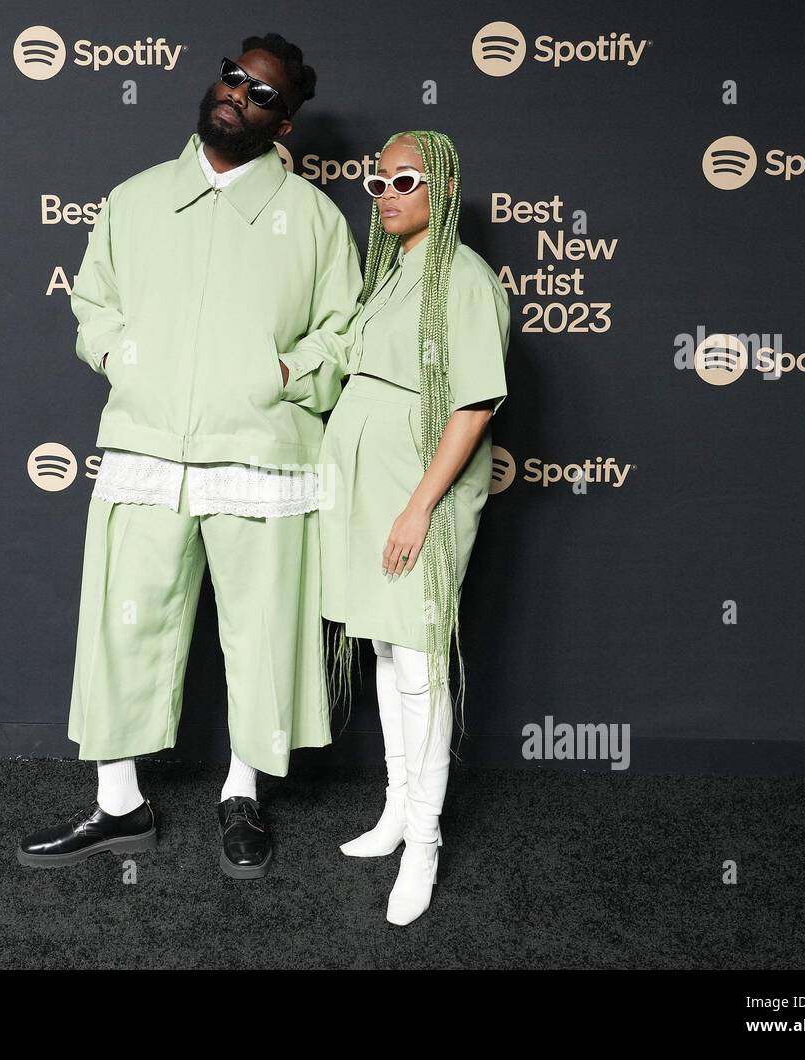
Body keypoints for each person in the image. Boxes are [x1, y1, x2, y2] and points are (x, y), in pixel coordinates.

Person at [17, 34, 363, 879]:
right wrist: (123, 358)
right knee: (124, 626)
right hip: (145, 447)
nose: (240, 95)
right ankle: (117, 804)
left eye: (264, 93)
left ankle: (243, 794)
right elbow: (92, 302)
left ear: (284, 121)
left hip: (262, 453)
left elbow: (345, 332)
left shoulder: (313, 218)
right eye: (235, 78)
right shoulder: (135, 199)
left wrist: (284, 373)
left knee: (261, 634)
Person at [320, 130, 511, 924]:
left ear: (443, 187)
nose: (389, 191)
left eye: (407, 179)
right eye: (379, 180)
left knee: (421, 661)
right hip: (366, 486)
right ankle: (398, 810)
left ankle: (426, 844)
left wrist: (419, 504)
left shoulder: (461, 277)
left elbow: (474, 403)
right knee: (386, 645)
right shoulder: (391, 272)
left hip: (415, 491)